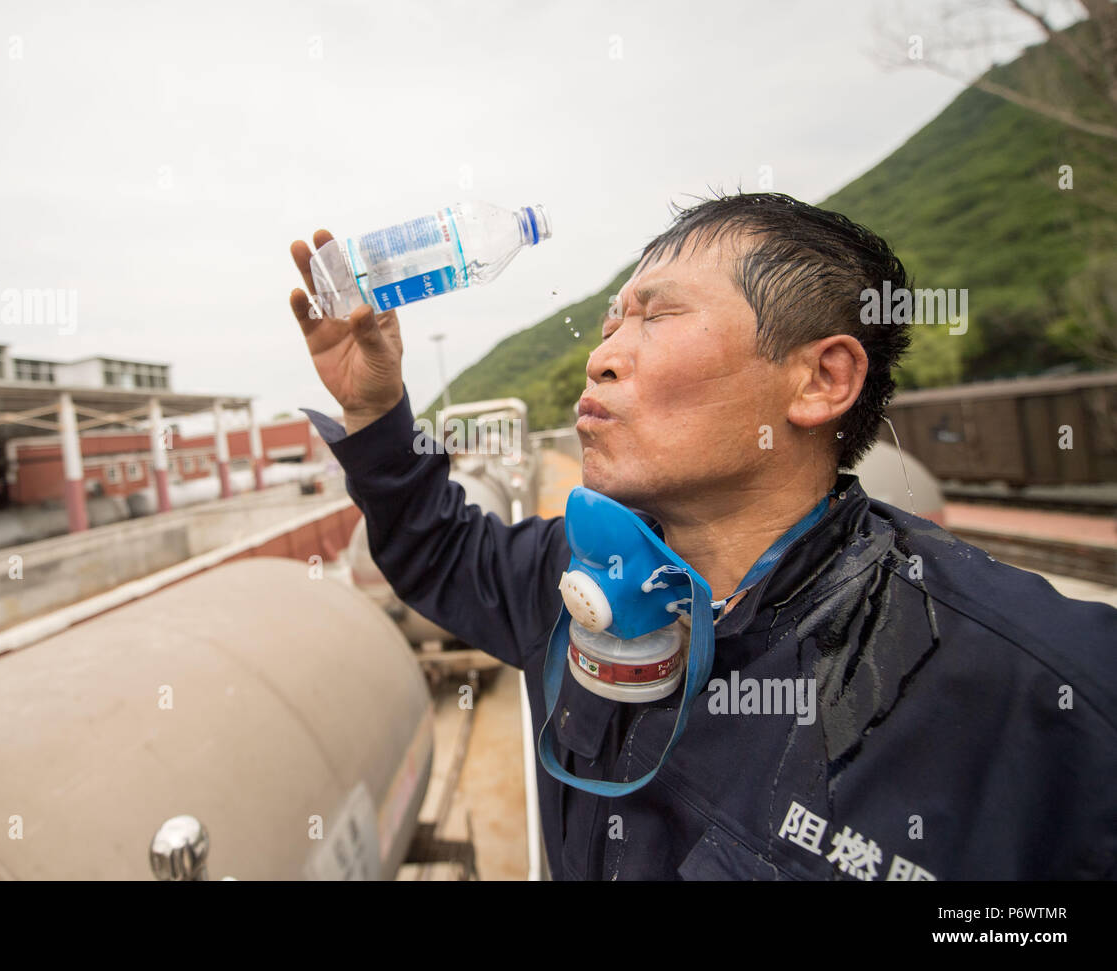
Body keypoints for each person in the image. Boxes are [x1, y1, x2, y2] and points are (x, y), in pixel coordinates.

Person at [288, 192, 1117, 880]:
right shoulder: (580, 582)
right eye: (610, 324)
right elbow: (437, 551)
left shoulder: (1035, 689)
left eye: (654, 317)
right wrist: (374, 411)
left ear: (821, 379)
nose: (601, 358)